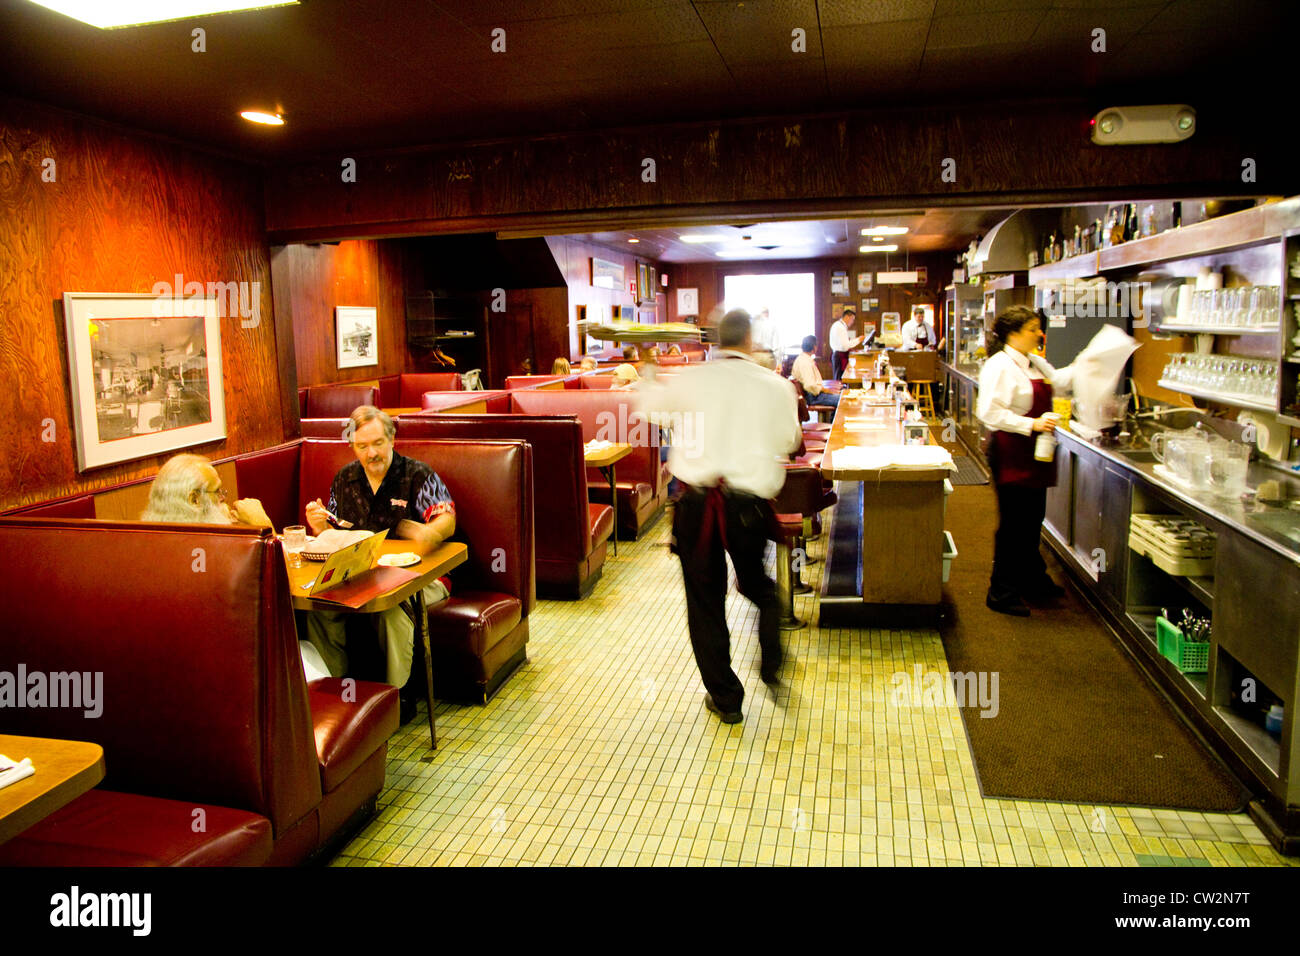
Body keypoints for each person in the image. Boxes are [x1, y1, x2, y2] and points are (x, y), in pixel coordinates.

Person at [638, 309, 802, 723]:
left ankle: (727, 699)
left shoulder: (693, 380)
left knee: (705, 604)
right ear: (749, 339)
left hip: (696, 505)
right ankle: (771, 655)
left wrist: (648, 369)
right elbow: (790, 440)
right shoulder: (776, 386)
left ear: (715, 340)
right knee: (757, 586)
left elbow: (652, 412)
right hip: (748, 507)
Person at [303, 406, 455, 719]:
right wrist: (321, 528)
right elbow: (338, 532)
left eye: (377, 443)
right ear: (352, 446)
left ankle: (396, 699)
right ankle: (337, 698)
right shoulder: (345, 479)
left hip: (422, 578)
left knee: (391, 607)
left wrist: (429, 532)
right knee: (321, 608)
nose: (371, 453)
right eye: (362, 446)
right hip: (361, 578)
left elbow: (447, 519)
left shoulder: (417, 474)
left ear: (392, 439)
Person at [140, 455, 334, 681]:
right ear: (194, 500)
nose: (225, 500)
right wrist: (263, 527)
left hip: (169, 673)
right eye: (219, 495)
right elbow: (280, 592)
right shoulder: (211, 553)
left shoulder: (147, 545)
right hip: (229, 672)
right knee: (309, 647)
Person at [977, 306, 1076, 617]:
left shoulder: (1036, 362)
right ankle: (1001, 591)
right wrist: (1030, 424)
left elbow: (1061, 380)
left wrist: (1089, 362)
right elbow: (989, 413)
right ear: (1014, 333)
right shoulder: (999, 366)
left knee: (1034, 519)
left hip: (1037, 452)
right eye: (1033, 328)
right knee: (1013, 524)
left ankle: (1032, 580)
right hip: (1011, 451)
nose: (1039, 333)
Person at [790, 335, 839, 410]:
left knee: (840, 396)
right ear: (814, 347)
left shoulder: (802, 358)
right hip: (813, 397)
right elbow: (810, 385)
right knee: (842, 399)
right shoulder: (805, 363)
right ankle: (834, 420)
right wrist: (824, 390)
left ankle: (832, 419)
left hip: (813, 394)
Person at [828, 308, 868, 379]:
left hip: (838, 355)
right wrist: (858, 340)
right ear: (846, 317)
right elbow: (845, 346)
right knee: (840, 380)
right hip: (839, 356)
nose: (852, 322)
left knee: (839, 378)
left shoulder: (839, 325)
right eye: (852, 319)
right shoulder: (840, 327)